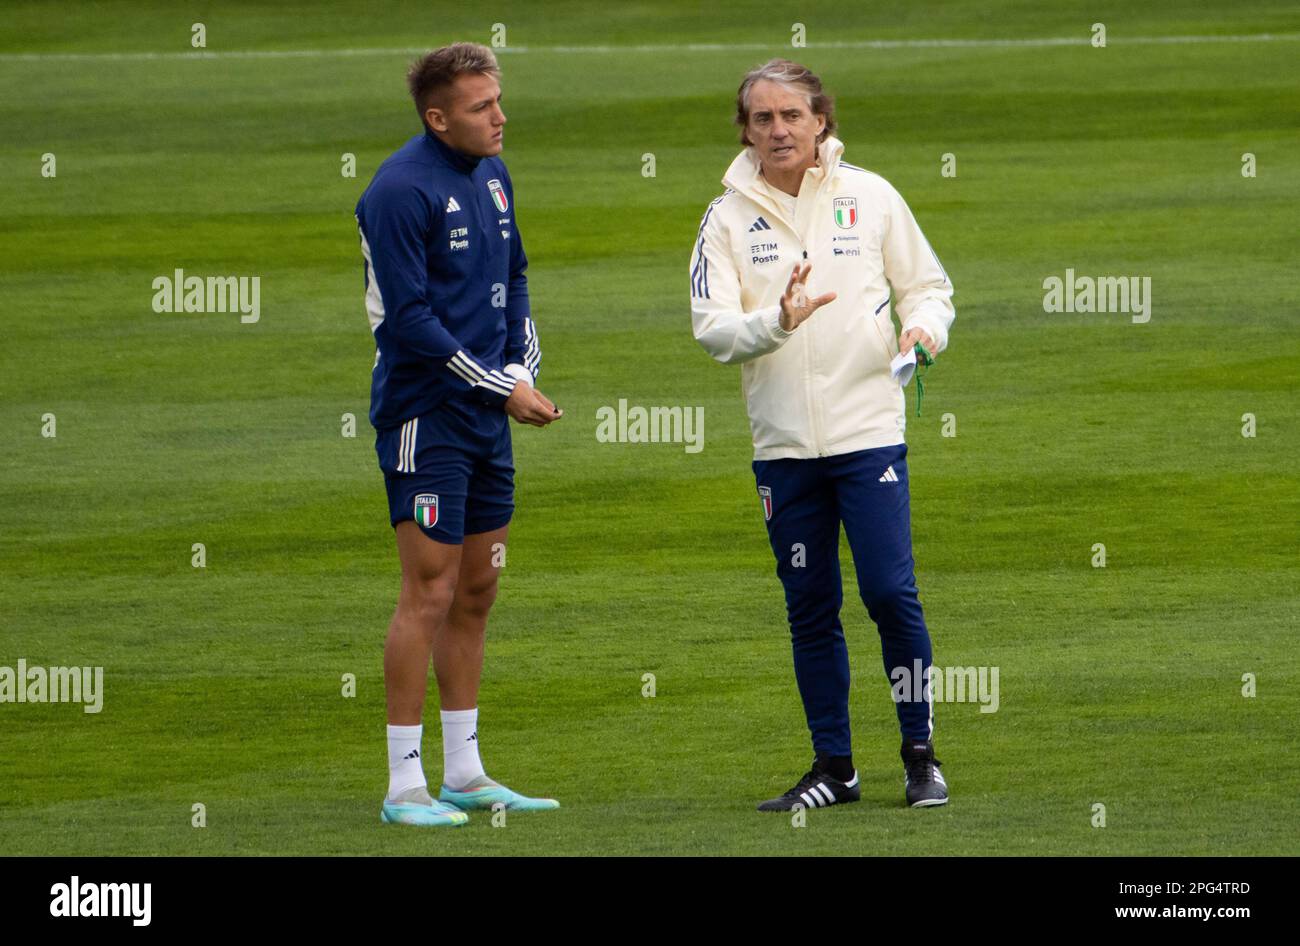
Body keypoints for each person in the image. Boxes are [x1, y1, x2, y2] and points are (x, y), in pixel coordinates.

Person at [689, 59, 956, 810]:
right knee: (809, 607)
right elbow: (713, 332)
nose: (778, 130)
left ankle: (920, 753)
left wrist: (922, 329)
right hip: (782, 449)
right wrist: (778, 320)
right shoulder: (725, 220)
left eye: (792, 116)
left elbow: (928, 287)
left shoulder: (869, 197)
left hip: (867, 433)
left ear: (820, 122)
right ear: (745, 129)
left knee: (888, 594)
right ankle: (834, 767)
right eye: (763, 118)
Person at [355, 42, 562, 827]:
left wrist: (521, 367)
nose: (500, 117)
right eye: (482, 107)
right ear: (438, 117)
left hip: (485, 413)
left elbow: (515, 277)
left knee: (478, 588)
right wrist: (503, 388)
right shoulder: (398, 191)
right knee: (430, 591)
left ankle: (465, 773)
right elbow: (410, 323)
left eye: (498, 100)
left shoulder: (495, 176)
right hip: (424, 417)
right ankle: (404, 785)